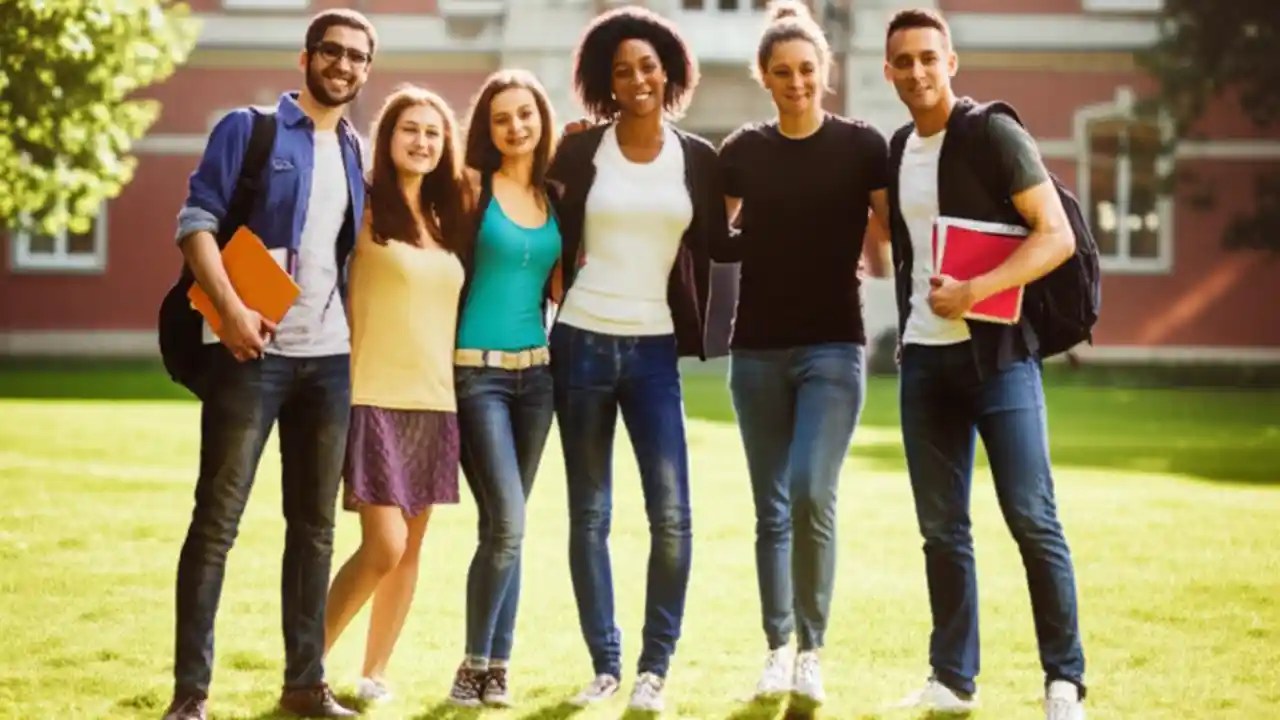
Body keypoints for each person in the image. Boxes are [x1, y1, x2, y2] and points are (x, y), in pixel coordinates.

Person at [163, 10, 374, 720]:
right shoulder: (248, 129)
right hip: (250, 355)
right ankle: (191, 695)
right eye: (332, 52)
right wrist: (228, 311)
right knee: (217, 521)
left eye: (357, 57)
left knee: (315, 527)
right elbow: (196, 223)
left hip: (329, 360)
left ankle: (304, 686)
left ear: (366, 71)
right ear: (306, 57)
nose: (343, 66)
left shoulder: (355, 150)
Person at [877, 9, 1087, 720]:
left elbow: (1053, 235)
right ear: (888, 71)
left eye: (928, 58)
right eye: (902, 61)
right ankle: (951, 679)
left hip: (998, 362)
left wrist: (977, 291)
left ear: (951, 62)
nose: (916, 72)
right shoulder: (897, 146)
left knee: (1032, 517)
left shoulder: (993, 132)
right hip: (924, 366)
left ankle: (1064, 681)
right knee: (942, 530)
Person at [545, 6, 728, 713]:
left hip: (654, 352)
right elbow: (534, 205)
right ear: (605, 82)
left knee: (672, 516)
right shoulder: (578, 150)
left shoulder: (699, 159)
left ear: (670, 71)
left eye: (648, 66)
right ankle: (606, 664)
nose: (637, 78)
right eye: (622, 71)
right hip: (580, 343)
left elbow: (723, 242)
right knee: (589, 514)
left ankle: (655, 667)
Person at [717, 0, 891, 709]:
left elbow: (900, 228)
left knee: (812, 490)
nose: (797, 82)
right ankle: (776, 648)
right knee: (771, 507)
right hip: (755, 350)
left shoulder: (861, 147)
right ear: (765, 77)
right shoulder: (742, 152)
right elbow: (704, 234)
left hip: (832, 346)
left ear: (827, 71)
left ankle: (812, 650)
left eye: (807, 70)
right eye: (783, 72)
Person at [321, 84, 471, 705]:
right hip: (370, 394)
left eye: (434, 133)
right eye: (411, 129)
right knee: (384, 545)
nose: (423, 141)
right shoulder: (362, 211)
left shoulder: (446, 221)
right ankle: (307, 662)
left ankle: (374, 673)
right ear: (388, 138)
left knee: (412, 550)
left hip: (435, 402)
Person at [444, 69, 562, 709]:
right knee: (508, 524)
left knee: (505, 527)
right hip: (476, 374)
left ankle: (497, 668)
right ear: (486, 131)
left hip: (537, 379)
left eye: (525, 114)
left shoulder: (554, 198)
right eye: (501, 118)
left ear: (540, 119)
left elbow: (562, 286)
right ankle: (470, 665)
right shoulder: (469, 189)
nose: (515, 126)